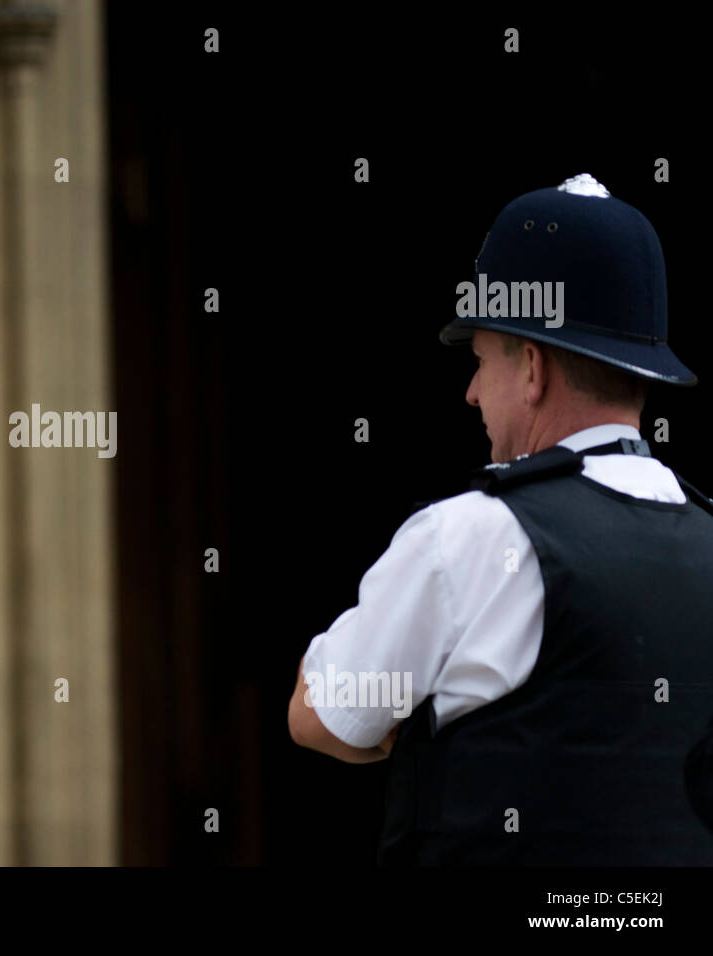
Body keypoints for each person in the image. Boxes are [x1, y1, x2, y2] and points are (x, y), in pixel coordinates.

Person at [287, 174, 713, 865]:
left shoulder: (471, 536)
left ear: (534, 370)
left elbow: (321, 717)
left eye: (483, 361)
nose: (471, 392)